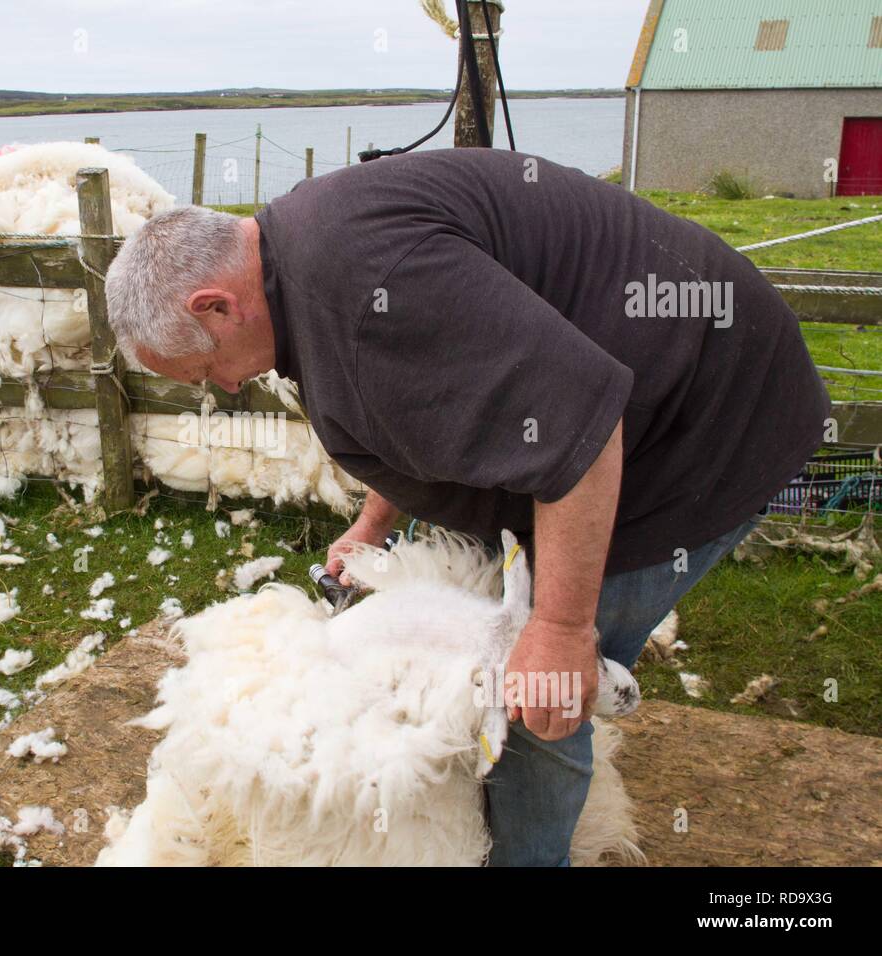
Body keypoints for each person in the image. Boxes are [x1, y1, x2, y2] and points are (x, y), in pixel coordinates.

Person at [103, 148, 830, 865]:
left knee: (538, 699)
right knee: (509, 655)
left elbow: (581, 422)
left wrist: (561, 624)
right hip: (629, 410)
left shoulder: (367, 290)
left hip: (698, 427)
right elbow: (435, 398)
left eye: (205, 369)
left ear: (216, 305)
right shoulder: (305, 257)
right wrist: (373, 523)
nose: (224, 388)